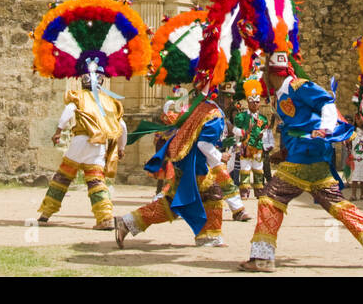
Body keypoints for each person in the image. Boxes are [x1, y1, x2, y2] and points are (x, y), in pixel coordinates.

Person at [239, 50, 363, 272]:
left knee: (270, 197)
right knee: (335, 202)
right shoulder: (282, 93)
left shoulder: (299, 86)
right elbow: (294, 127)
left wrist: (324, 128)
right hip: (306, 153)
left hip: (307, 152)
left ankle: (262, 257)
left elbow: (327, 103)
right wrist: (283, 153)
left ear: (270, 73)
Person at [115, 88, 246, 248]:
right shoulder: (214, 115)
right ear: (219, 97)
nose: (229, 101)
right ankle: (127, 223)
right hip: (196, 167)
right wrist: (220, 156)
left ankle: (209, 236)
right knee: (189, 200)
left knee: (193, 199)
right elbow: (203, 144)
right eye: (227, 97)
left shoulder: (201, 109)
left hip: (190, 165)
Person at [36, 65, 127, 230]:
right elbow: (122, 127)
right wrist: (121, 148)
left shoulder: (78, 97)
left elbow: (68, 112)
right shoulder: (110, 103)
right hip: (98, 146)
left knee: (63, 177)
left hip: (79, 142)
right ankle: (105, 218)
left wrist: (58, 132)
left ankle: (45, 214)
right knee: (96, 181)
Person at [232, 79, 270, 199]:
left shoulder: (263, 119)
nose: (254, 104)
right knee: (245, 168)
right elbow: (236, 131)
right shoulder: (241, 116)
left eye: (257, 102)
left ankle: (259, 190)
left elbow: (266, 131)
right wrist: (239, 141)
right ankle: (244, 190)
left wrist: (263, 137)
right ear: (248, 102)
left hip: (258, 147)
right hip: (245, 146)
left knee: (258, 168)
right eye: (252, 102)